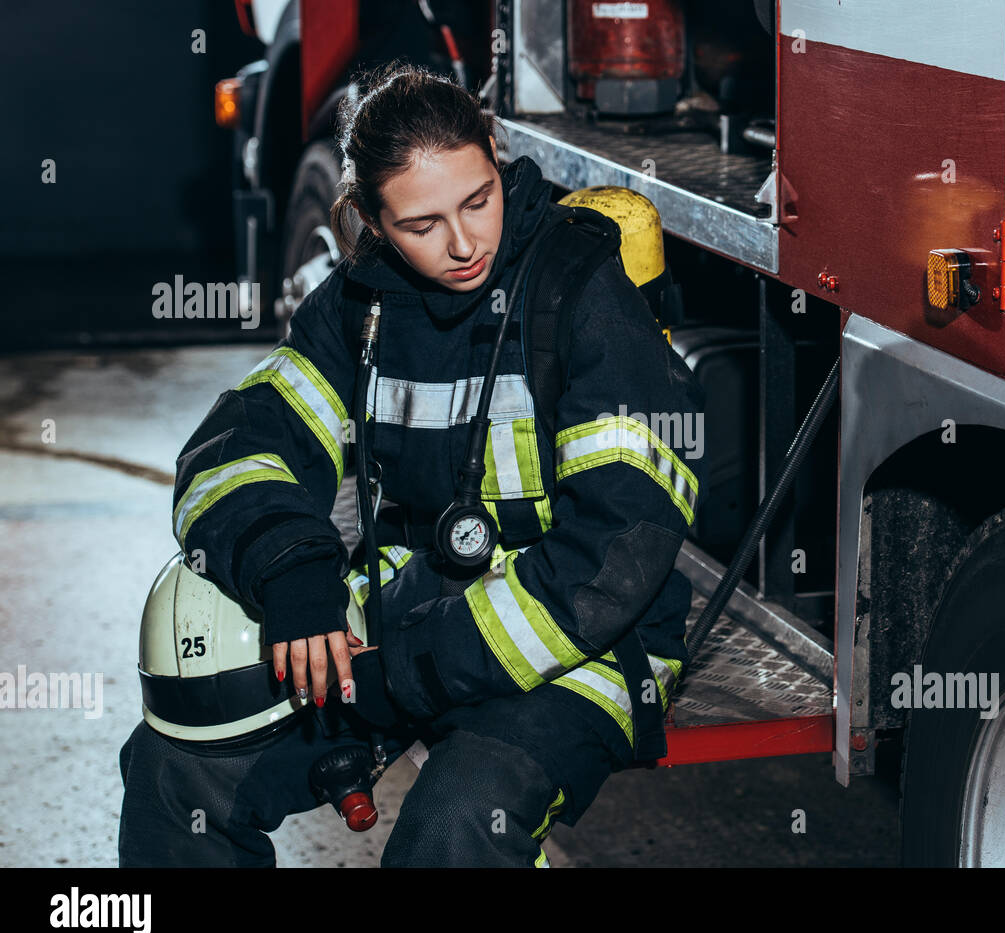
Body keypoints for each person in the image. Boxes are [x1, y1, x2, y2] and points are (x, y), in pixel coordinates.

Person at [117, 61, 707, 867]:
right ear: (369, 218)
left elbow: (615, 553)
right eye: (422, 224)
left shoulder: (581, 291)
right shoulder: (362, 305)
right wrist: (291, 571)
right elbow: (239, 444)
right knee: (172, 775)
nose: (464, 243)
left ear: (496, 153)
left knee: (454, 823)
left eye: (478, 199)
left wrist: (419, 666)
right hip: (405, 626)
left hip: (578, 651)